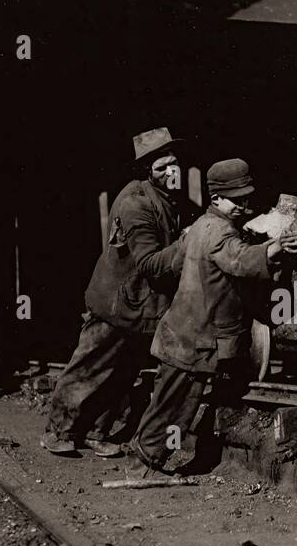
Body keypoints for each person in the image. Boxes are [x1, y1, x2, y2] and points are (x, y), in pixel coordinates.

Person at [129, 158, 297, 475]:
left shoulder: (199, 227)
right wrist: (273, 249)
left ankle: (147, 461)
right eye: (235, 200)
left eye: (245, 198)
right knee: (174, 406)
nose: (242, 205)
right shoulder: (220, 232)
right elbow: (238, 260)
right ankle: (144, 466)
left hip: (183, 333)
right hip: (194, 339)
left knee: (171, 402)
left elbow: (180, 263)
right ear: (216, 199)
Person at [40, 127, 187, 456]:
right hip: (116, 302)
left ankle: (95, 432)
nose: (171, 171)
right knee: (89, 369)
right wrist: (188, 243)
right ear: (147, 169)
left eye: (174, 164)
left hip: (141, 306)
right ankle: (57, 432)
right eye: (163, 167)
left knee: (121, 375)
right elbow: (149, 263)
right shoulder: (136, 203)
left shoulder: (168, 199)